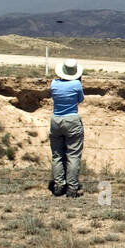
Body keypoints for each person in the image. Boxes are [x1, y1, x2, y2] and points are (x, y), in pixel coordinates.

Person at [49, 58, 84, 197]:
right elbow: (80, 100)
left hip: (56, 119)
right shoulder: (76, 84)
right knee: (73, 155)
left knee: (57, 155)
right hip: (72, 119)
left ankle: (58, 185)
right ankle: (72, 188)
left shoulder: (54, 84)